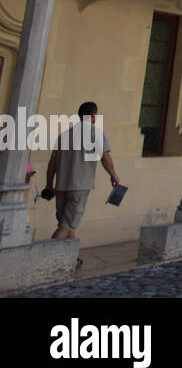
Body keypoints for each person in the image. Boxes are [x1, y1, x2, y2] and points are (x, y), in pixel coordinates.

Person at [42, 102, 121, 259]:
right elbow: (104, 157)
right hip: (80, 186)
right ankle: (45, 257)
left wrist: (49, 185)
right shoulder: (94, 133)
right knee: (67, 225)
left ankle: (73, 258)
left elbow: (52, 164)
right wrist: (113, 174)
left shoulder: (64, 135)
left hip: (61, 187)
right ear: (92, 115)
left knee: (68, 223)